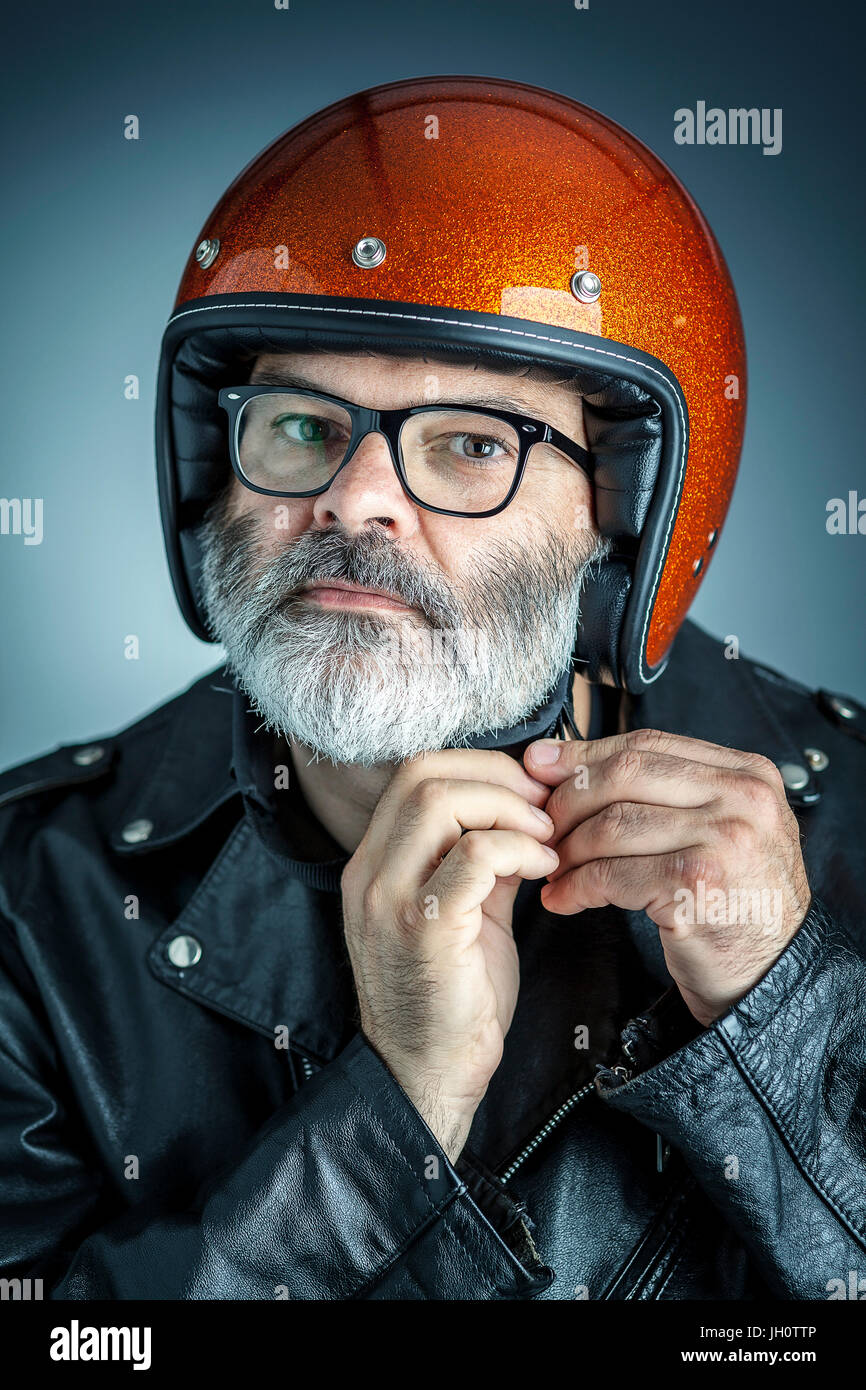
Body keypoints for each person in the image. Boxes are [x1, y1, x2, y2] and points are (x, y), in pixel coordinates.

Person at [1, 75, 864, 1301]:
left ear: (617, 533)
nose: (353, 499)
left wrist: (790, 1024)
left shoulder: (853, 835)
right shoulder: (32, 902)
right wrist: (387, 1119)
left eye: (470, 443)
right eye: (301, 427)